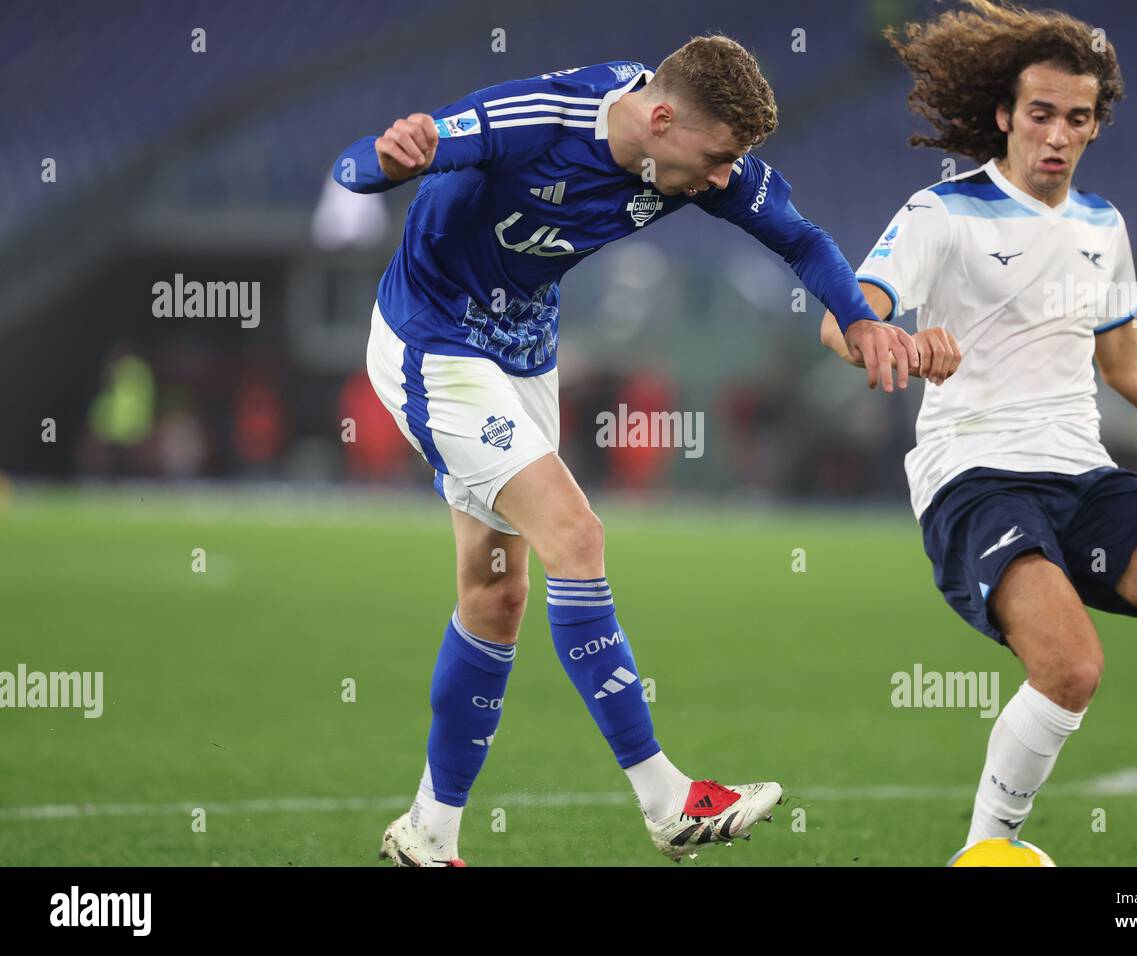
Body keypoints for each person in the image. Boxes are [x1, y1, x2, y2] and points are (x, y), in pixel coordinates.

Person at [334, 34, 919, 865]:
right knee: (577, 537)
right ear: (660, 117)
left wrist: (860, 318)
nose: (725, 178)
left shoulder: (695, 161)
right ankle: (666, 799)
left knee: (495, 596)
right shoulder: (532, 120)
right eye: (717, 156)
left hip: (524, 354)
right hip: (433, 344)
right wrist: (391, 161)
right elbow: (355, 168)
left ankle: (429, 832)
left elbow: (801, 238)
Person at [821, 0, 1137, 866]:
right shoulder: (942, 212)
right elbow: (845, 322)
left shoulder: (1101, 226)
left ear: (1093, 127)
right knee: (1071, 667)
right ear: (1005, 115)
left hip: (1081, 471)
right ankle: (985, 850)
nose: (1057, 134)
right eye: (1040, 114)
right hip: (975, 476)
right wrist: (896, 337)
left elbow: (1127, 362)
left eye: (1077, 119)